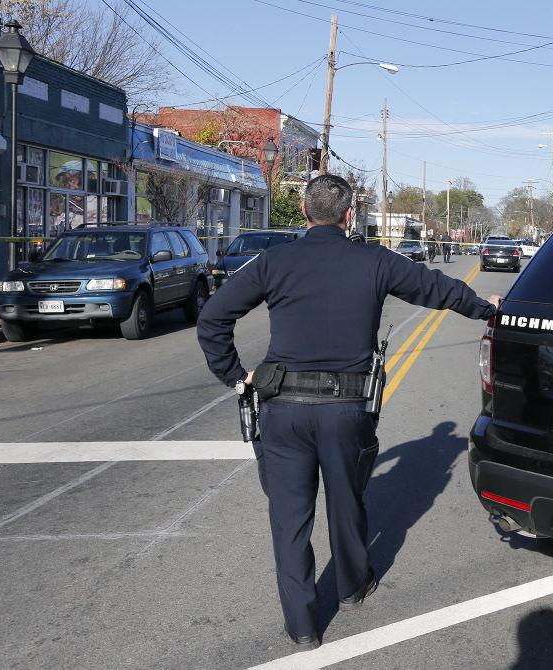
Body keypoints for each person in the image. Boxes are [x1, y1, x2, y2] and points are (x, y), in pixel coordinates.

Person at [196, 175, 500, 651]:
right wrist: (486, 309)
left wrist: (236, 375)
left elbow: (213, 317)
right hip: (346, 410)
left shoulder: (274, 262)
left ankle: (302, 625)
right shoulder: (375, 260)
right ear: (349, 215)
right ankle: (354, 584)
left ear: (302, 210)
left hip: (283, 411)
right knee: (347, 500)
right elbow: (436, 289)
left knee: (289, 519)